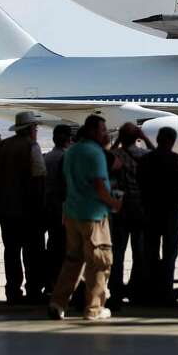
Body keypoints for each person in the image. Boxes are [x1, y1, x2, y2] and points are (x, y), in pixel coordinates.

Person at [48, 115, 122, 321]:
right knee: (99, 261)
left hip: (72, 214)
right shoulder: (95, 153)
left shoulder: (72, 151)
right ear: (91, 131)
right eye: (102, 130)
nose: (106, 133)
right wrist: (114, 203)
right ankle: (94, 308)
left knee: (73, 260)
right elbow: (99, 184)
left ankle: (58, 303)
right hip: (94, 215)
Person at [0, 111, 48, 303]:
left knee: (11, 251)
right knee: (33, 252)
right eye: (35, 128)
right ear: (30, 129)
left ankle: (13, 290)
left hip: (5, 209)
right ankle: (34, 290)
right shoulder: (32, 146)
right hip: (28, 210)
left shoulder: (2, 145)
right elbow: (39, 175)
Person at [138, 126, 178, 304]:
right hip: (171, 210)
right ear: (173, 141)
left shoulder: (145, 160)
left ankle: (149, 291)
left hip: (150, 210)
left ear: (157, 139)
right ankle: (165, 290)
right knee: (170, 253)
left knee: (149, 252)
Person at [107, 122, 151, 308]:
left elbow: (109, 155)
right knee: (139, 251)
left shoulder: (116, 155)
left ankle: (115, 291)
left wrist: (118, 141)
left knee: (117, 252)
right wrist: (146, 138)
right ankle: (138, 291)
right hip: (140, 206)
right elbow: (154, 153)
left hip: (120, 207)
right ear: (137, 137)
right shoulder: (144, 155)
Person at [42, 124, 72, 290]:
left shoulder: (47, 157)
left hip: (49, 206)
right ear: (69, 139)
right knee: (64, 247)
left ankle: (50, 282)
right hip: (63, 208)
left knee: (52, 245)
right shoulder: (67, 157)